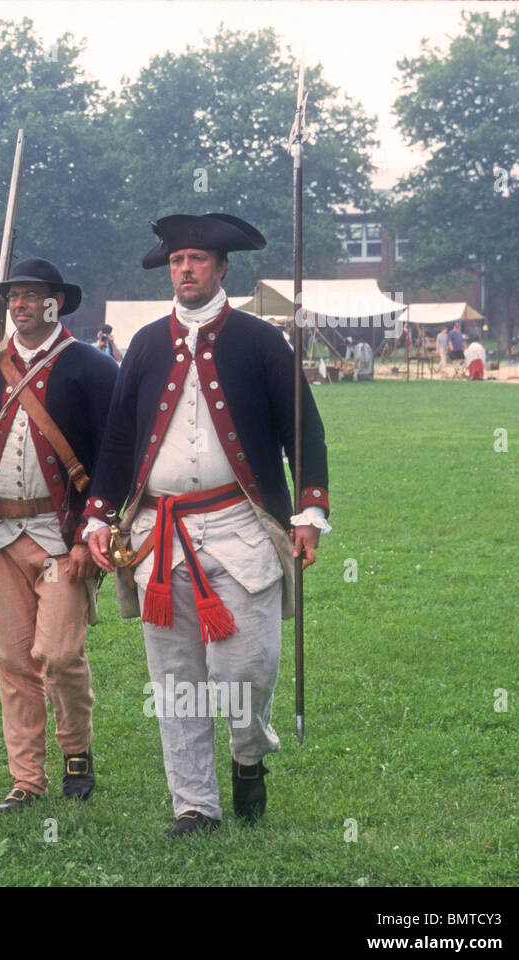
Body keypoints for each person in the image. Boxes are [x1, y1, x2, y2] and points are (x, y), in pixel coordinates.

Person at [85, 213, 330, 837]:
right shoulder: (145, 343)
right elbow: (117, 438)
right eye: (177, 261)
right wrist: (98, 512)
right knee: (175, 681)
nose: (185, 269)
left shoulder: (261, 341)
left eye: (197, 259)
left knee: (245, 667)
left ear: (222, 268)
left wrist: (310, 509)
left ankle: (249, 755)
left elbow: (302, 429)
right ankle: (194, 804)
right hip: (159, 531)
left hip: (240, 526)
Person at [0, 257, 119, 813]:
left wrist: (90, 529)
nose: (19, 305)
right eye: (13, 296)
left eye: (30, 295)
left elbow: (112, 456)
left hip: (62, 536)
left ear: (55, 302)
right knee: (13, 660)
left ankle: (77, 750)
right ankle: (26, 777)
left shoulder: (90, 367)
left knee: (59, 654)